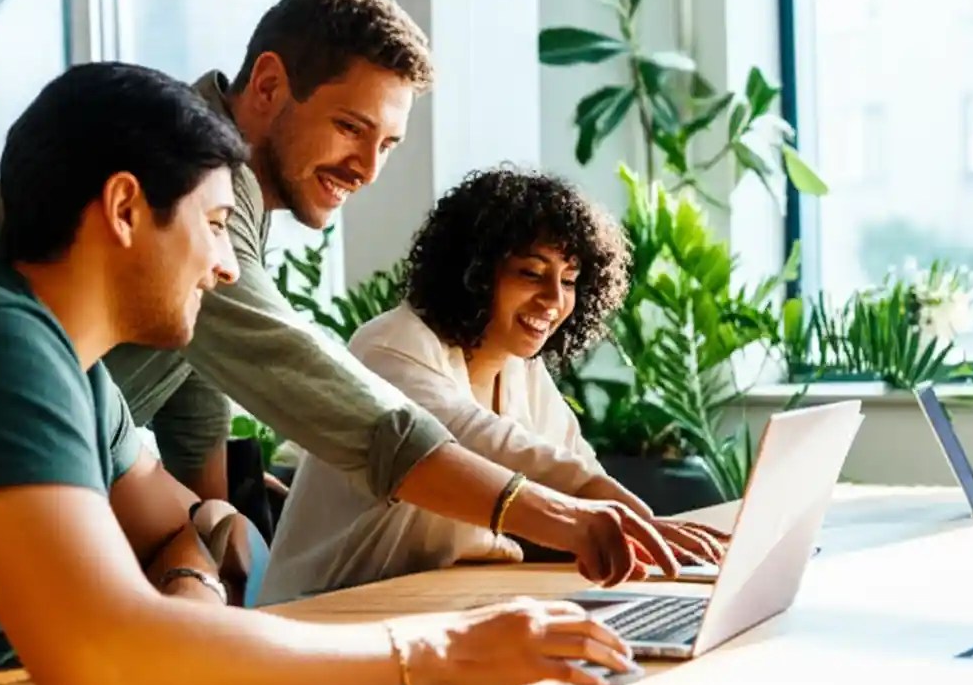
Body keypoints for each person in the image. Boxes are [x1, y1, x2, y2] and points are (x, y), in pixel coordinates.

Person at [0, 0, 693, 586]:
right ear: (270, 86)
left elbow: (194, 417)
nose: (366, 167)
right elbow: (348, 406)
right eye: (351, 127)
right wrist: (560, 517)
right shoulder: (169, 174)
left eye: (387, 145)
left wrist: (212, 531)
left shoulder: (214, 236)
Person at [0, 63, 639, 685]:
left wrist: (182, 575)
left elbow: (190, 523)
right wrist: (434, 650)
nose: (224, 266)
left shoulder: (77, 380)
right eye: (215, 226)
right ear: (123, 209)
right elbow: (109, 653)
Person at [260, 167, 731, 604]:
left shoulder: (521, 368)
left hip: (443, 601)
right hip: (328, 610)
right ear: (475, 271)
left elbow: (577, 467)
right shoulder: (392, 345)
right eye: (531, 273)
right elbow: (473, 442)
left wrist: (652, 534)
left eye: (569, 280)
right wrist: (634, 519)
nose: (554, 299)